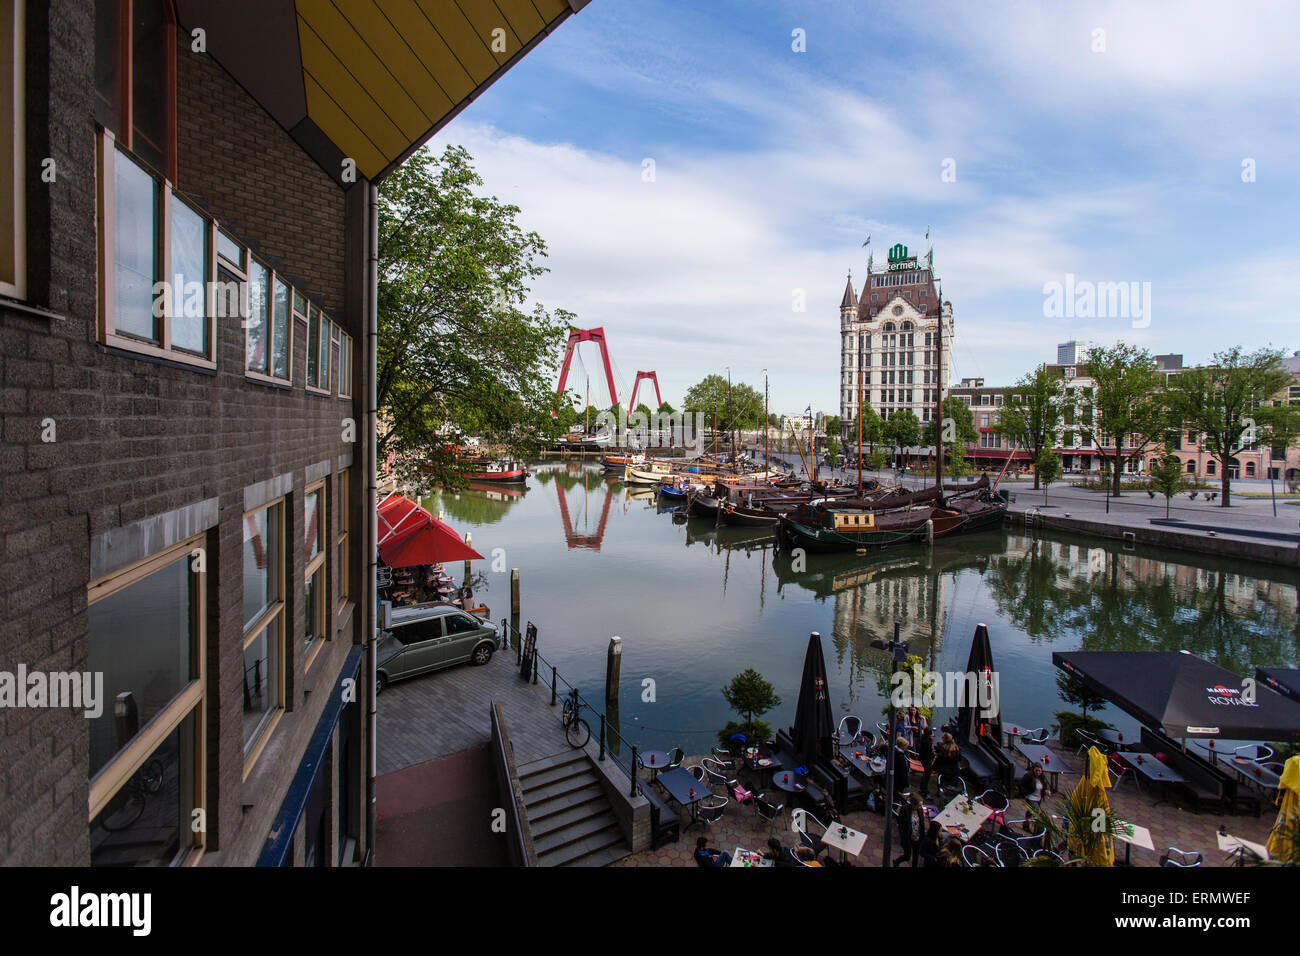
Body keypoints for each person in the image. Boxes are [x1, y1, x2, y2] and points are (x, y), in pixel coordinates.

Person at [893, 793, 926, 867]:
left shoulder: (920, 811)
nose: (921, 807)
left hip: (917, 836)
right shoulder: (905, 810)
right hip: (908, 837)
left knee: (916, 856)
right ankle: (897, 861)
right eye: (919, 805)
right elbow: (901, 825)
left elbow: (922, 823)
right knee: (907, 856)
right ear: (914, 805)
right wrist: (904, 836)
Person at [917, 727, 935, 796]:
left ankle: (923, 789)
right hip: (927, 760)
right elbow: (929, 752)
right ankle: (924, 790)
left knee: (925, 775)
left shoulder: (923, 739)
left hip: (923, 759)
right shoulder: (928, 742)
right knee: (926, 775)